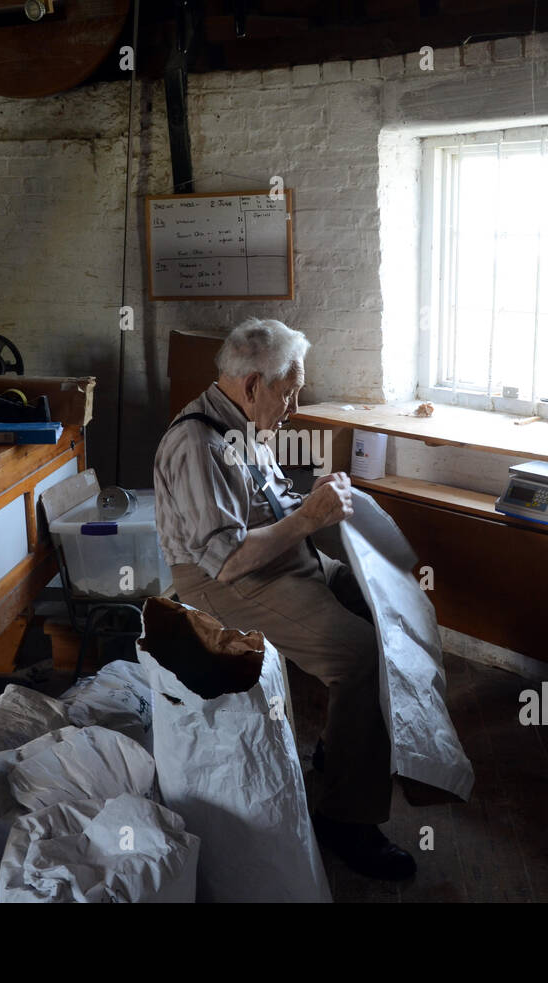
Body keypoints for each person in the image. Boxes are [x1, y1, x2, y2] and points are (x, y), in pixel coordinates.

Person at [153, 316, 416, 882]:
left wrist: (312, 499)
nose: (294, 404)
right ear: (253, 385)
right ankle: (347, 820)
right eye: (290, 390)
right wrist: (306, 519)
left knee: (387, 607)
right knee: (360, 658)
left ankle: (341, 747)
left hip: (275, 559)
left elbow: (271, 502)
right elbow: (224, 559)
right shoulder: (198, 443)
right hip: (228, 581)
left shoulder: (242, 424)